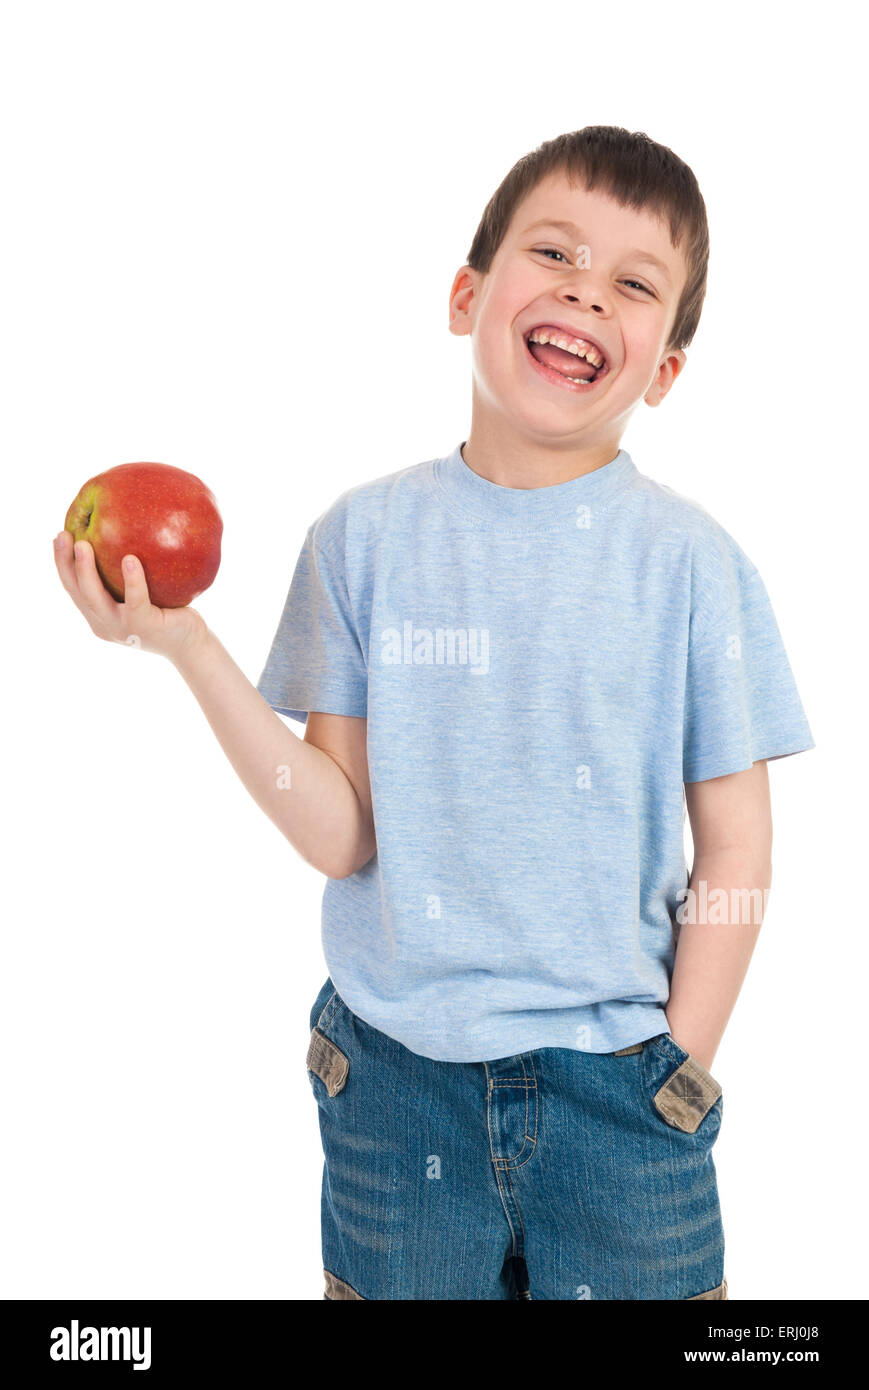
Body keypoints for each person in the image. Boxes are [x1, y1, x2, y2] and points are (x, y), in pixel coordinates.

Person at [53, 125, 814, 1301]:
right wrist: (184, 645)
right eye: (551, 252)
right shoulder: (360, 541)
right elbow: (340, 833)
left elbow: (738, 844)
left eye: (630, 282)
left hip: (620, 1091)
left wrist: (677, 1068)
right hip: (393, 1080)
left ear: (663, 368)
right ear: (467, 295)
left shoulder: (692, 567)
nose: (581, 290)